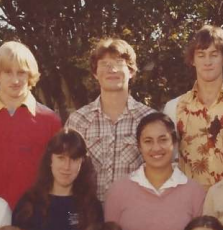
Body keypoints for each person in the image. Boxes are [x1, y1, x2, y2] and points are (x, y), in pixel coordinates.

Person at [0, 41, 63, 209]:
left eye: (21, 72)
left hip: (38, 216)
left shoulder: (50, 121)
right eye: (8, 72)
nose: (15, 80)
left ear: (30, 76)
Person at [163, 24, 223, 187]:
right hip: (189, 204)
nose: (207, 62)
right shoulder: (174, 108)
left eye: (214, 54)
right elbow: (168, 162)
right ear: (192, 60)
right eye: (201, 55)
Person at [65, 37, 157, 200]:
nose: (112, 69)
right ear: (95, 73)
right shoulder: (77, 121)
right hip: (89, 218)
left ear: (131, 71)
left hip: (134, 216)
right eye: (105, 64)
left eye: (119, 62)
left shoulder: (149, 120)